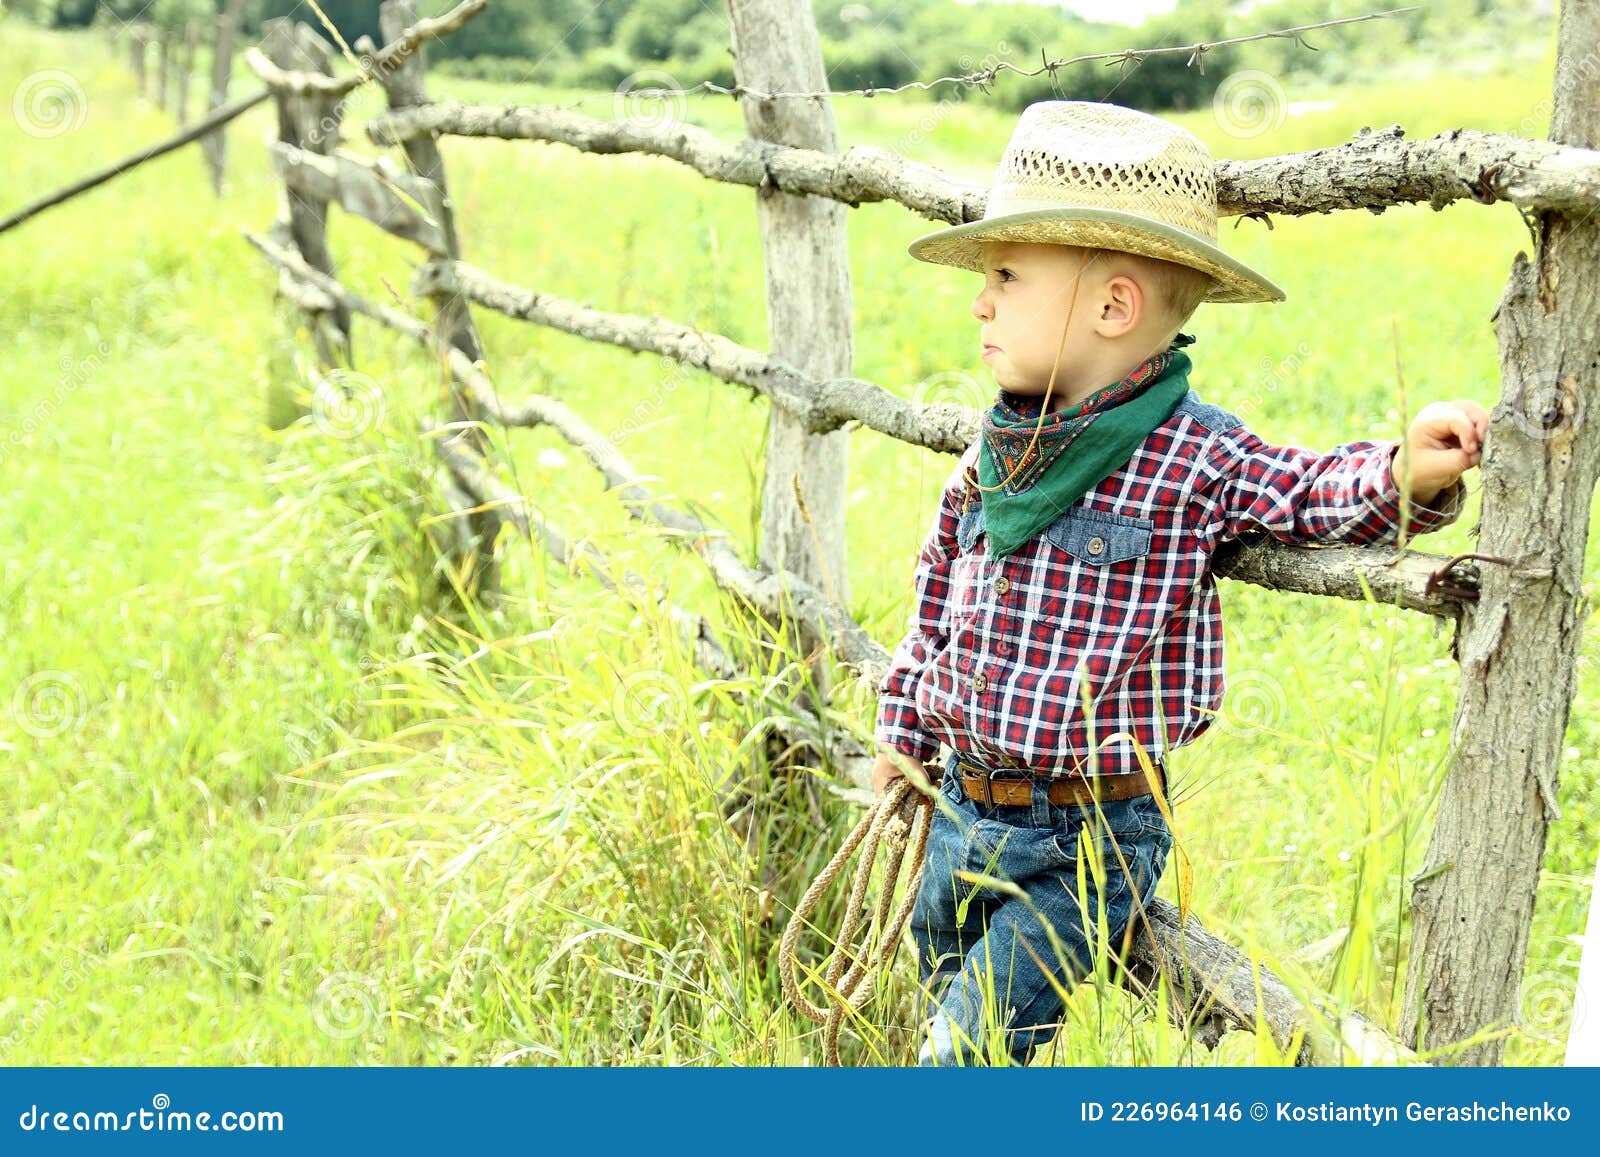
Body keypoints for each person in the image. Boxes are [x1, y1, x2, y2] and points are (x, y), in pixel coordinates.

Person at [872, 100, 1488, 1066]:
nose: (980, 301)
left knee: (966, 1052)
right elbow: (934, 612)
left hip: (1085, 834)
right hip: (960, 802)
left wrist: (1404, 471)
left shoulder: (1193, 458)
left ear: (1113, 309)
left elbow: (1301, 491)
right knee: (942, 992)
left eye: (1003, 277)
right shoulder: (995, 453)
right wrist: (904, 744)